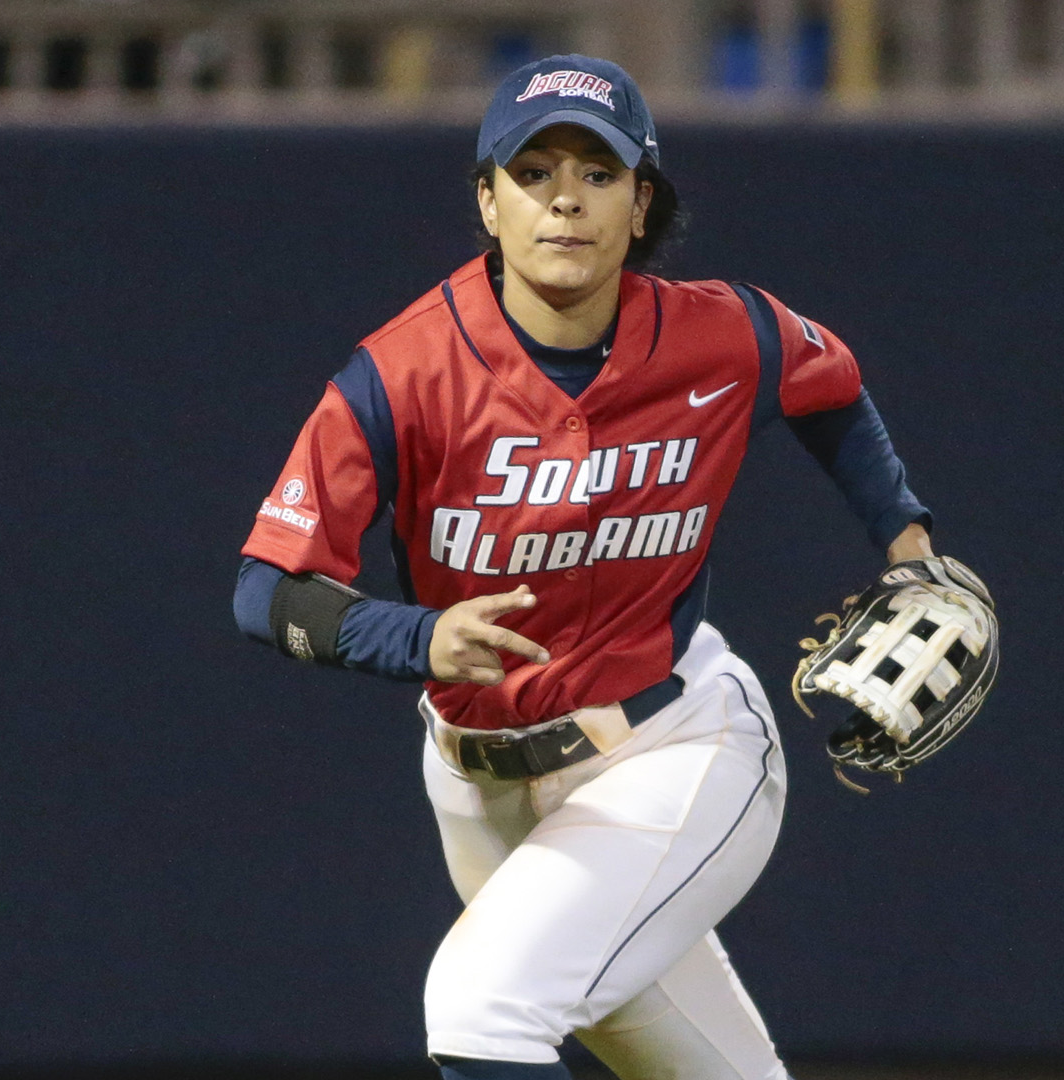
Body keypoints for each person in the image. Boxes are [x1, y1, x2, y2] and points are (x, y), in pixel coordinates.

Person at [234, 54, 936, 1080]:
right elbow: (266, 591)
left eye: (599, 173)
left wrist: (908, 540)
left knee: (482, 1013)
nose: (565, 198)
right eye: (533, 171)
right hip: (477, 790)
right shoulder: (402, 372)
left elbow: (831, 389)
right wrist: (419, 637)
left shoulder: (723, 331)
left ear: (641, 202)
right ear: (486, 199)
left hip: (673, 748)